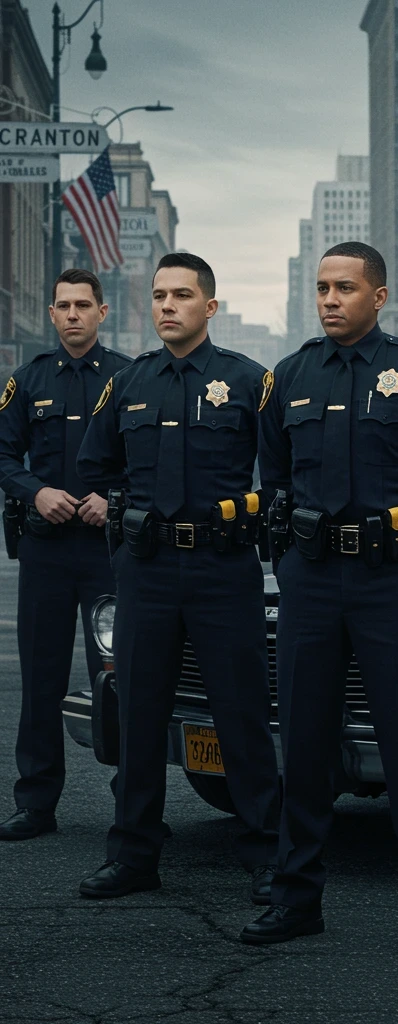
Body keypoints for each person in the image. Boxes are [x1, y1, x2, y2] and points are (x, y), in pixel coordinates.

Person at [242, 242, 398, 955]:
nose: (330, 299)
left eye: (344, 287)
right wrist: (290, 558)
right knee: (304, 742)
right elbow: (274, 478)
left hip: (390, 582)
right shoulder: (288, 376)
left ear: (378, 296)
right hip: (311, 582)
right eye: (322, 288)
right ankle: (296, 898)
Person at [75, 252, 280, 903]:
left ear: (209, 307)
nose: (168, 305)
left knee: (240, 714)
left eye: (182, 295)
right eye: (160, 295)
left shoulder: (248, 381)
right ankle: (133, 854)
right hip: (148, 569)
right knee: (138, 715)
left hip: (224, 567)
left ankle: (266, 854)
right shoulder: (129, 382)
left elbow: (282, 468)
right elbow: (95, 463)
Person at [0, 269, 131, 841]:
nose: (73, 314)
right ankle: (36, 803)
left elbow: (149, 455)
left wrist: (115, 496)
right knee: (41, 676)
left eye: (83, 305)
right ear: (52, 314)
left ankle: (132, 802)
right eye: (64, 306)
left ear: (102, 312)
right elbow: (3, 455)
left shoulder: (129, 376)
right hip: (46, 551)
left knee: (124, 676)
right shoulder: (27, 380)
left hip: (109, 551)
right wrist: (36, 492)